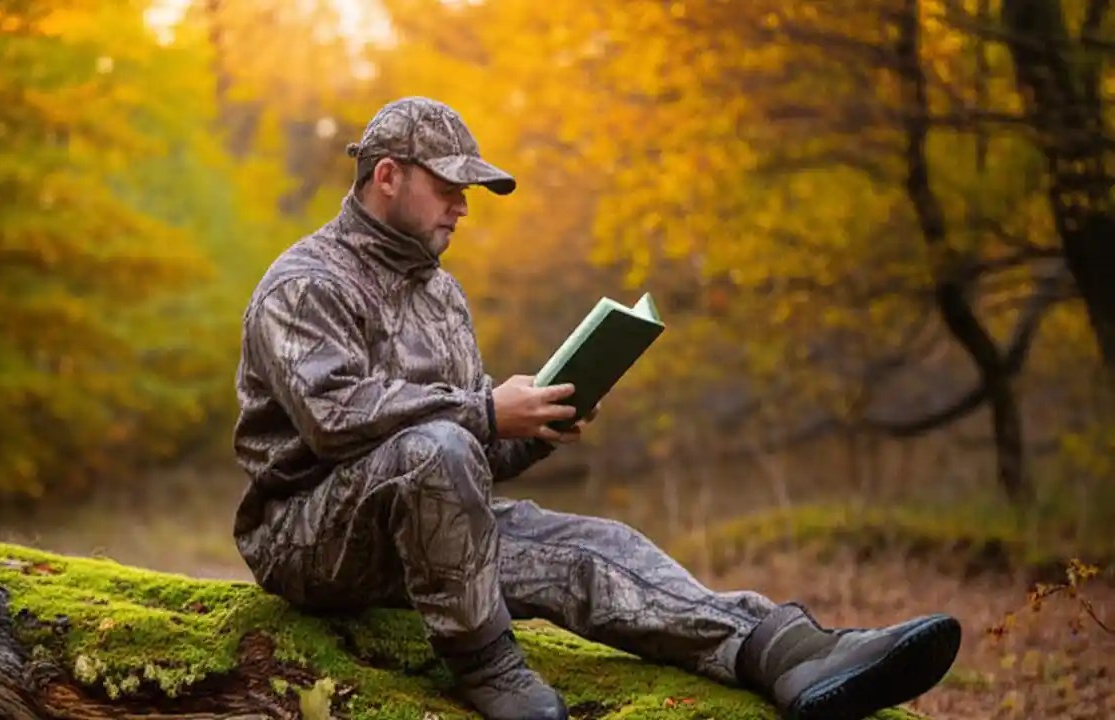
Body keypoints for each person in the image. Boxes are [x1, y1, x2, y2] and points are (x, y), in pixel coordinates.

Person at [231, 96, 962, 720]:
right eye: (450, 184)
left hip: (426, 532)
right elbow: (335, 420)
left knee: (596, 553)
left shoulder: (439, 294)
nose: (463, 204)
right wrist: (487, 411)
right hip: (307, 541)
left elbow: (465, 461)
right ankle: (483, 664)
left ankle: (788, 653)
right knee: (439, 447)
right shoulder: (304, 283)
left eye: (470, 190)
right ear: (386, 176)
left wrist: (537, 426)